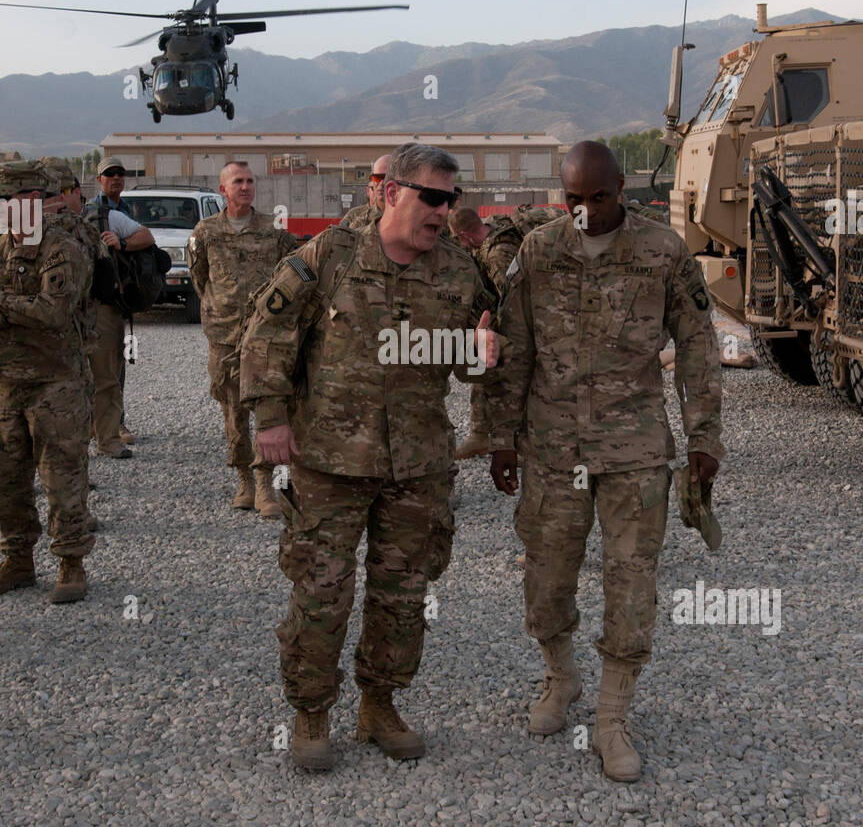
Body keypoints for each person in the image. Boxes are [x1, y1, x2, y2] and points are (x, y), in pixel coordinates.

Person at [240, 142, 499, 771]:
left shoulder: (461, 274)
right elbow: (266, 331)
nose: (442, 210)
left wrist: (483, 353)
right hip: (329, 461)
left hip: (416, 466)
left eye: (451, 199)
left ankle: (379, 705)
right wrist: (270, 417)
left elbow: (467, 363)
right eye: (430, 196)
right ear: (389, 193)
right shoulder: (330, 255)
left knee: (403, 596)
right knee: (320, 593)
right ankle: (310, 713)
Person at [487, 141, 723, 782]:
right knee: (547, 574)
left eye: (599, 196)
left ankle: (612, 717)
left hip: (634, 450)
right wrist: (500, 434)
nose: (587, 210)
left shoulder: (663, 252)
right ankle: (560, 679)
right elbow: (514, 348)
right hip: (552, 447)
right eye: (574, 199)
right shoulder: (539, 252)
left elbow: (698, 344)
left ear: (623, 187)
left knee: (630, 582)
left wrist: (704, 436)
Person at [0, 161, 95, 603]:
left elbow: (53, 312)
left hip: (55, 383)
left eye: (34, 201)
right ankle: (18, 559)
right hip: (5, 384)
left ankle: (70, 562)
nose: (26, 209)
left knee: (62, 476)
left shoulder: (61, 249)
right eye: (17, 202)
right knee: (7, 477)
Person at [188, 161, 299, 516]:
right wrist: (219, 309)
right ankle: (244, 481)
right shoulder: (205, 231)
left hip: (264, 335)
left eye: (250, 181)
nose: (246, 187)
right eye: (238, 181)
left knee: (269, 408)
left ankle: (266, 484)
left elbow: (294, 270)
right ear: (223, 189)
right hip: (224, 336)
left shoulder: (273, 229)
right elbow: (199, 277)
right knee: (233, 410)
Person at [452, 203, 560, 460]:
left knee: (515, 383)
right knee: (482, 370)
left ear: (464, 236)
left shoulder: (497, 254)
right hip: (502, 323)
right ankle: (479, 435)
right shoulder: (492, 232)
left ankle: (520, 443)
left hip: (522, 326)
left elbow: (513, 298)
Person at [83, 161, 155, 458]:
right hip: (91, 304)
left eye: (119, 174)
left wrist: (121, 243)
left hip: (110, 302)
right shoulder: (94, 212)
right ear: (97, 179)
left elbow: (146, 238)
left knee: (111, 369)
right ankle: (103, 431)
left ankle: (112, 427)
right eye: (110, 174)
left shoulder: (118, 212)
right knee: (99, 373)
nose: (115, 178)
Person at [340, 154, 390, 230]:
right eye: (377, 178)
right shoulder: (357, 218)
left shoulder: (407, 216)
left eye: (387, 178)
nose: (382, 183)